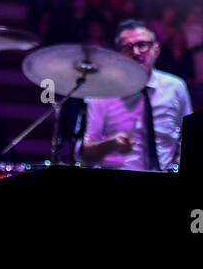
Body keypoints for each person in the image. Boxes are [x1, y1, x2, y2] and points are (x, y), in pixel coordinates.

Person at [80, 19, 192, 172]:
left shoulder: (175, 88)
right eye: (128, 47)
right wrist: (109, 144)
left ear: (156, 49)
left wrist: (179, 163)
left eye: (142, 45)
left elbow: (190, 139)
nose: (136, 52)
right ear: (118, 55)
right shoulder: (102, 92)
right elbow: (83, 156)